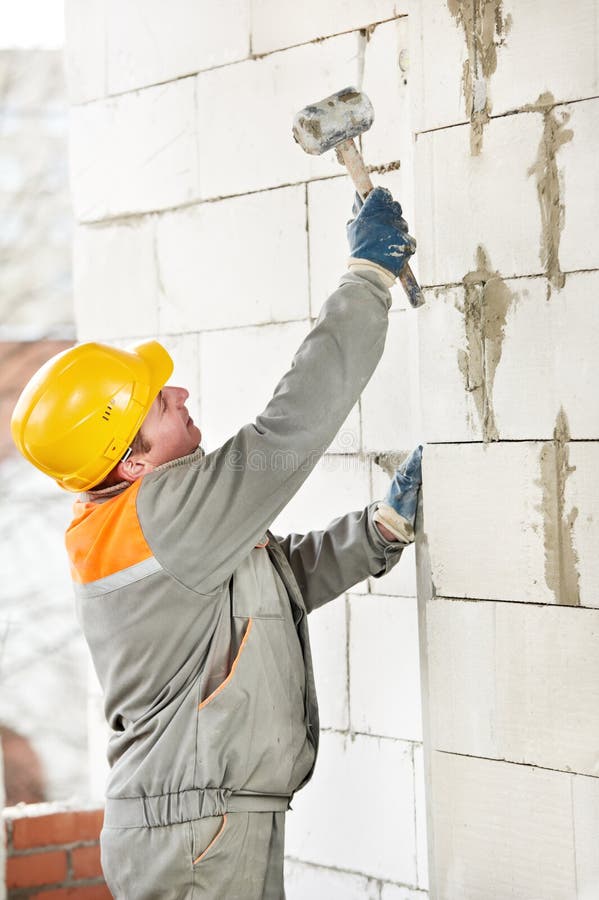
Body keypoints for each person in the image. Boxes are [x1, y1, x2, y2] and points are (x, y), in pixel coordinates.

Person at [11, 187, 423, 899]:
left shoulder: (142, 521)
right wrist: (365, 277)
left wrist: (378, 530)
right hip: (194, 833)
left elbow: (272, 579)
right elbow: (288, 430)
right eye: (154, 402)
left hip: (198, 827)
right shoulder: (159, 513)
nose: (178, 394)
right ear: (131, 461)